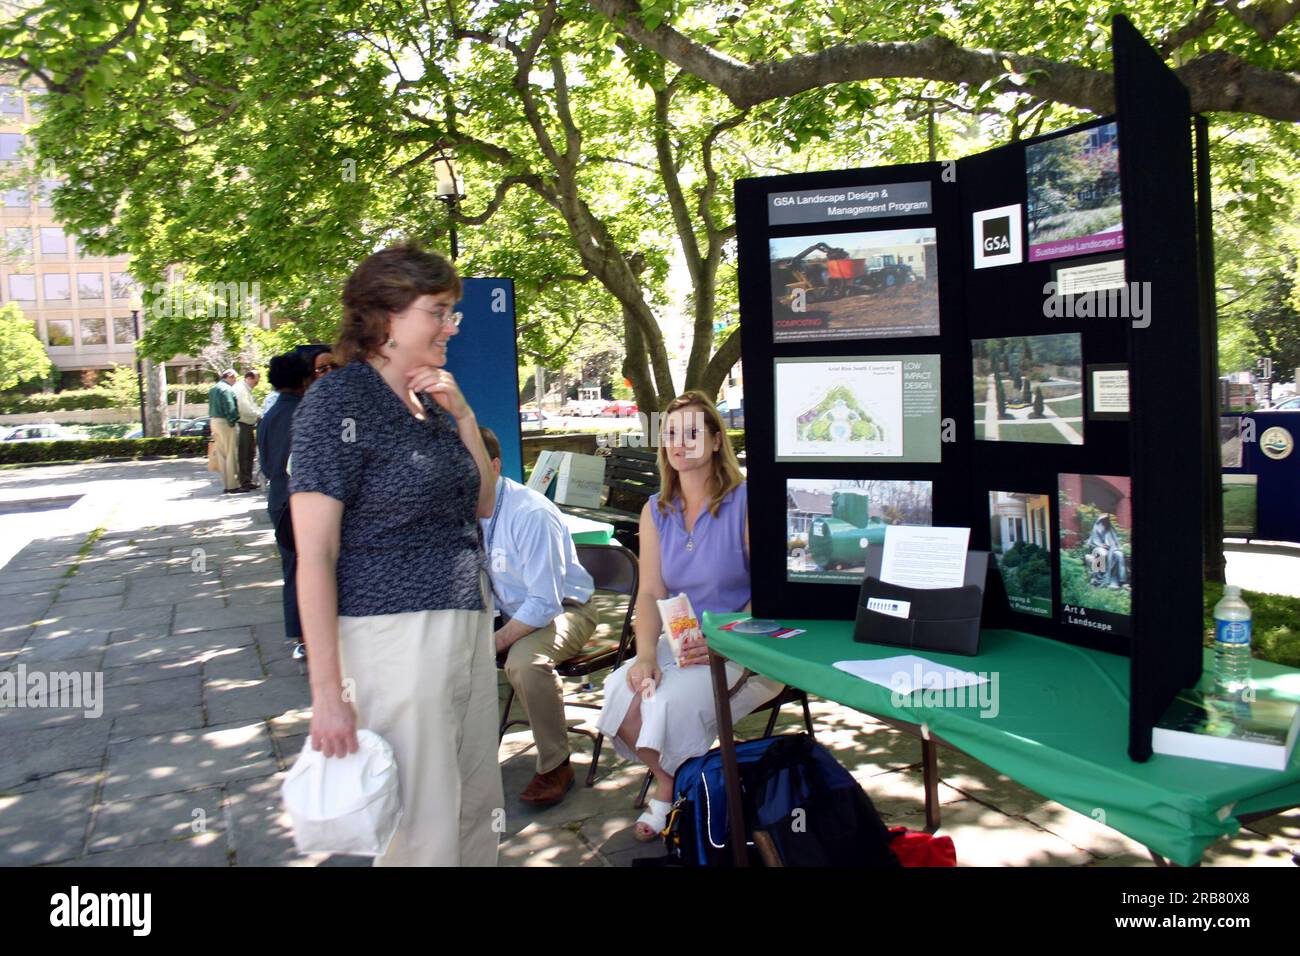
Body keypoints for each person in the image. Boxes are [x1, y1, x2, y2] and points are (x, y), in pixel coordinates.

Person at [289, 241, 502, 867]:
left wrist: (464, 417)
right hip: (393, 636)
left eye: (451, 312)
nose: (451, 326)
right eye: (438, 311)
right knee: (422, 822)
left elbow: (483, 503)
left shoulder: (428, 403)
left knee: (473, 803)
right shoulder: (337, 402)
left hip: (465, 620)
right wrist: (328, 692)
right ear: (386, 316)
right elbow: (314, 554)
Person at [596, 391, 782, 841]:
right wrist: (645, 656)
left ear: (716, 441)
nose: (680, 442)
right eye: (672, 433)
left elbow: (770, 591)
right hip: (679, 643)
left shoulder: (746, 501)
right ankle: (678, 782)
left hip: (744, 646)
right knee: (622, 690)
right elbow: (651, 591)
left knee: (665, 703)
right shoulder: (656, 509)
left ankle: (671, 792)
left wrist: (723, 640)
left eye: (693, 432)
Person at [479, 425, 598, 806]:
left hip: (565, 609)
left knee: (525, 663)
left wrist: (493, 643)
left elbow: (545, 603)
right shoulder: (462, 511)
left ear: (494, 466)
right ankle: (461, 759)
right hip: (510, 612)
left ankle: (556, 765)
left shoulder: (530, 513)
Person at [257, 352, 311, 661]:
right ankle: (308, 635)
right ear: (304, 379)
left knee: (292, 569)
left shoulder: (269, 417)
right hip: (301, 503)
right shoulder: (304, 413)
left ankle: (300, 635)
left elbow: (266, 465)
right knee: (309, 568)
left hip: (278, 500)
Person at [208, 369, 244, 494]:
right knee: (231, 454)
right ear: (229, 376)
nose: (235, 381)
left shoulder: (213, 389)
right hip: (225, 423)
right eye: (235, 378)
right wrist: (233, 421)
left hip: (214, 421)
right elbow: (230, 408)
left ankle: (226, 484)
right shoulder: (227, 389)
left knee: (221, 455)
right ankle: (233, 485)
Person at [234, 369, 261, 491]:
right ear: (249, 378)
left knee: (250, 453)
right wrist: (259, 414)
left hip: (248, 424)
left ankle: (247, 480)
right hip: (242, 424)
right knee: (244, 453)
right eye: (256, 382)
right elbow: (244, 407)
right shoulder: (241, 389)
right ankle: (244, 481)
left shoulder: (245, 389)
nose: (256, 385)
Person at [1087, 513, 1128, 589]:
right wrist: (1101, 545)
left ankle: (1120, 581)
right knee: (1102, 554)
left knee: (1119, 555)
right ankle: (1098, 579)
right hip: (1097, 548)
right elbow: (1093, 542)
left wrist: (1118, 547)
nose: (1105, 521)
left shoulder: (1110, 529)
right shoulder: (1096, 529)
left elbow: (1115, 541)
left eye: (1107, 520)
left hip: (1111, 548)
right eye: (1104, 520)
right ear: (1100, 521)